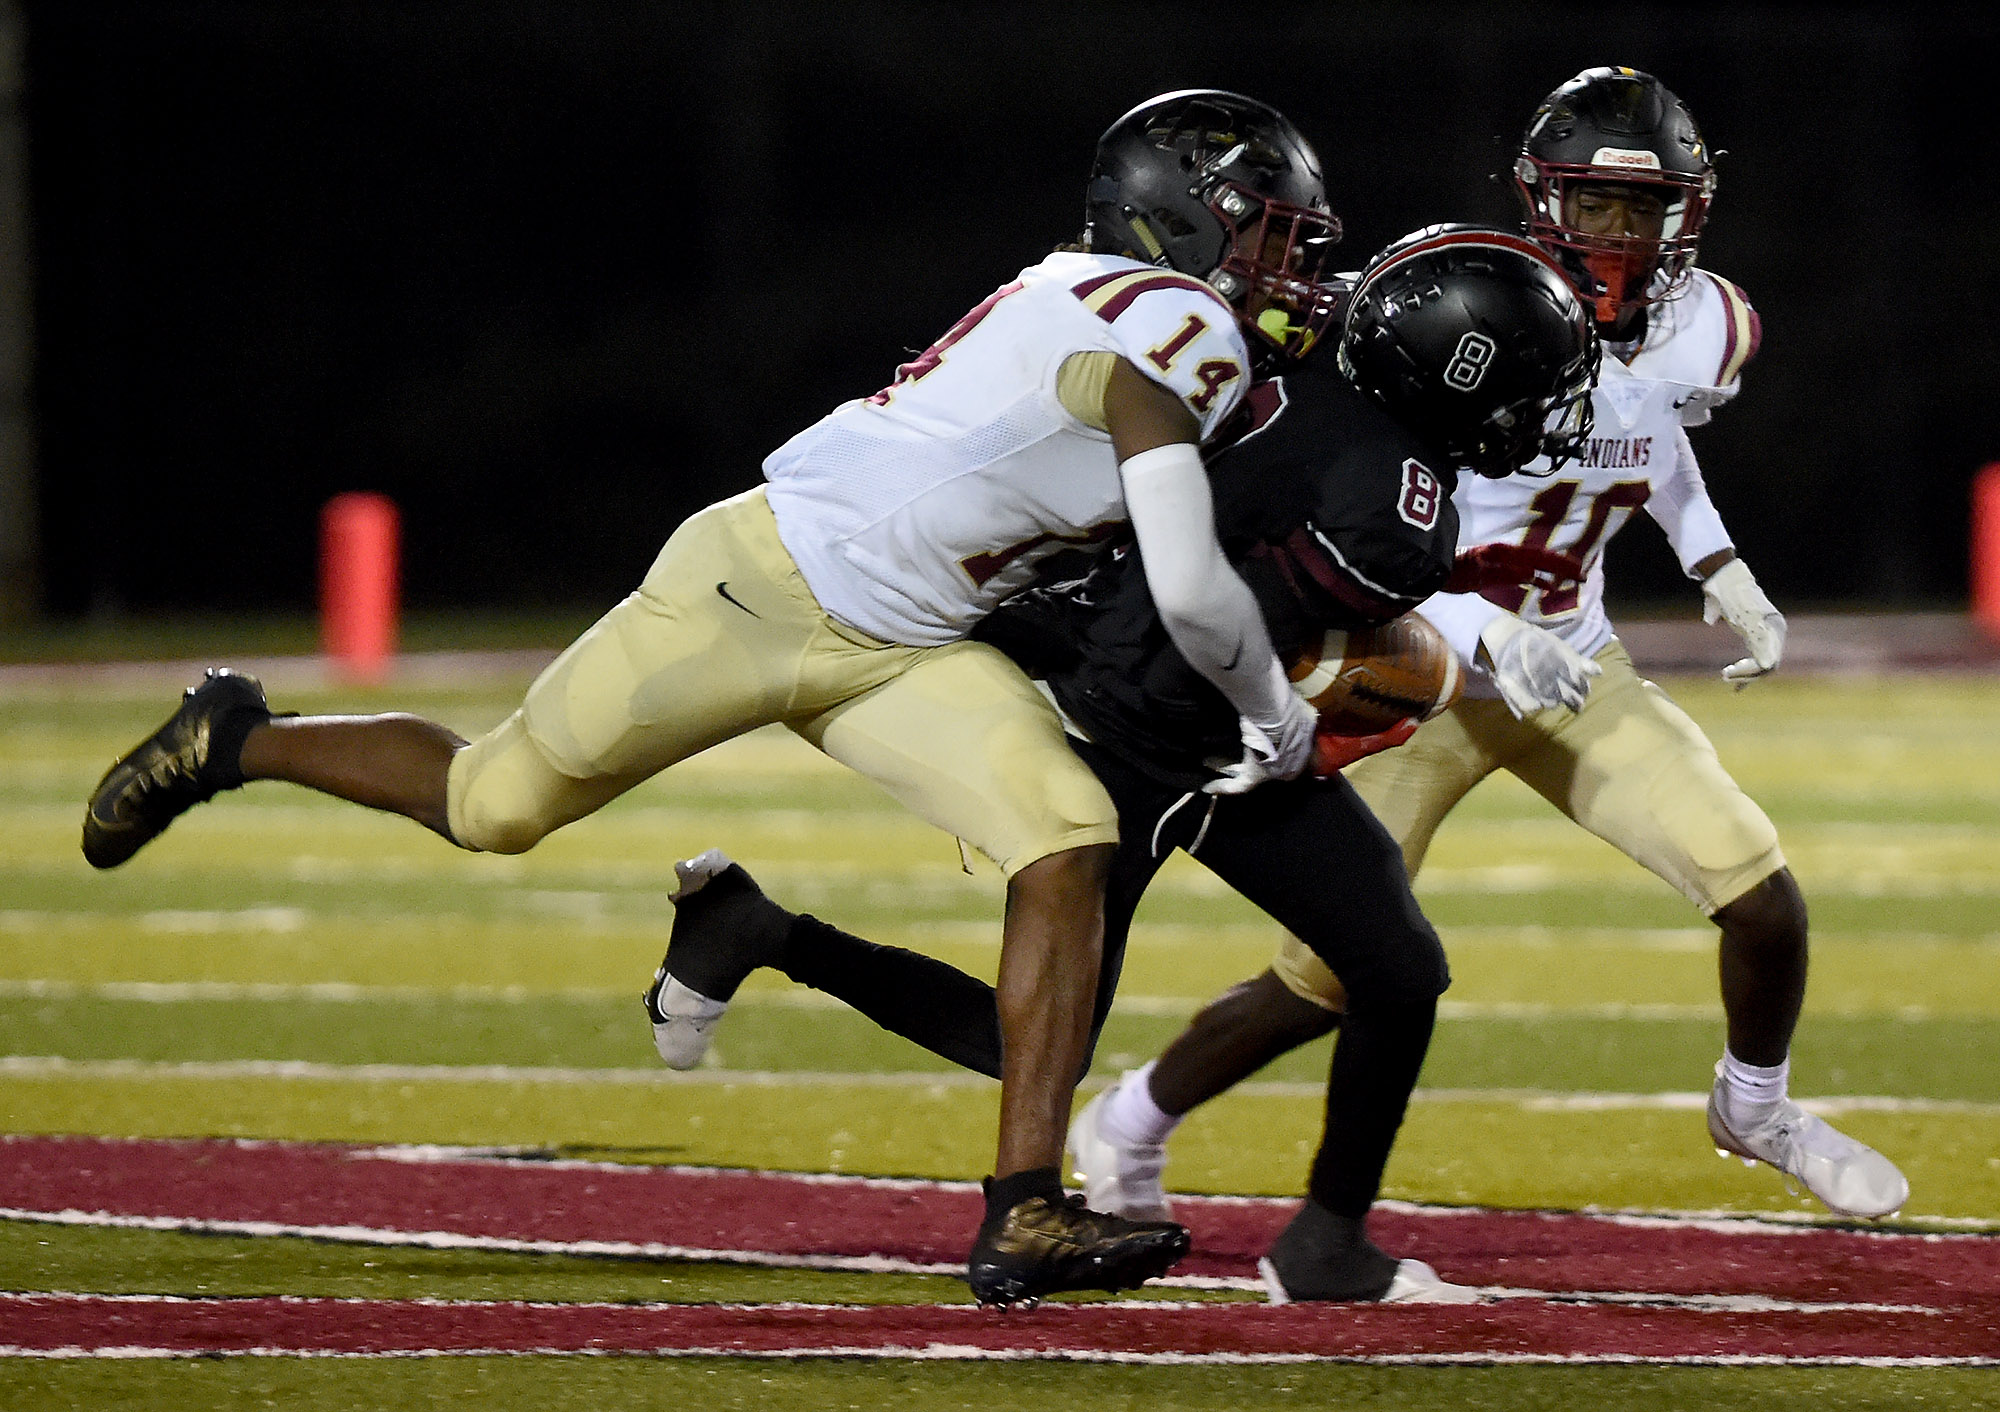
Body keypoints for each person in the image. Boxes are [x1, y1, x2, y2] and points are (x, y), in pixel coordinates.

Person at [77, 90, 1353, 1306]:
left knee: (1063, 835)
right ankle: (233, 735)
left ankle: (1023, 1202)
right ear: (1176, 215)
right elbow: (1188, 589)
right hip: (758, 587)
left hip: (905, 642)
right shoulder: (1173, 325)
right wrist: (1270, 712)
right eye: (1260, 223)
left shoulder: (1114, 303)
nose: (1280, 257)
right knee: (494, 802)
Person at [643, 225, 1601, 1303]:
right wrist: (1411, 670)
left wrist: (1440, 636)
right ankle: (765, 932)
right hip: (1129, 728)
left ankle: (1326, 1242)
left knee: (1394, 965)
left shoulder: (1294, 368)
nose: (1538, 414)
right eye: (1526, 386)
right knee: (1029, 1046)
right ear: (1454, 371)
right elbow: (1312, 650)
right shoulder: (1394, 503)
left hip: (1176, 707)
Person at [1068, 66, 1910, 1226]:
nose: (1616, 233)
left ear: (1686, 213)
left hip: (1574, 666)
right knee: (1325, 976)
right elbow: (1363, 503)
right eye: (1593, 204)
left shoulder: (1707, 326)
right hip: (1416, 667)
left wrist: (1718, 564)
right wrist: (1473, 626)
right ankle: (1133, 1116)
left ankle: (1752, 1105)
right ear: (1538, 198)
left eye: (1641, 207)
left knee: (1761, 896)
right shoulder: (1445, 306)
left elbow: (1649, 438)